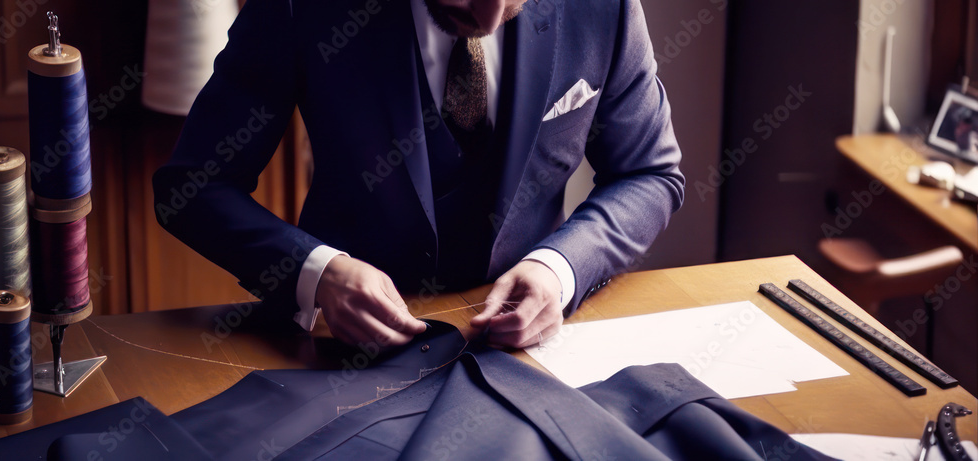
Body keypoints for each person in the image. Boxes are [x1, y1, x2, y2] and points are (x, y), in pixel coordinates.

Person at [153, 0, 684, 349]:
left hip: (533, 351)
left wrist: (560, 269)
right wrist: (316, 273)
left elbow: (650, 173)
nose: (491, 15)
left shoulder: (603, 7)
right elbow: (193, 188)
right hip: (344, 354)